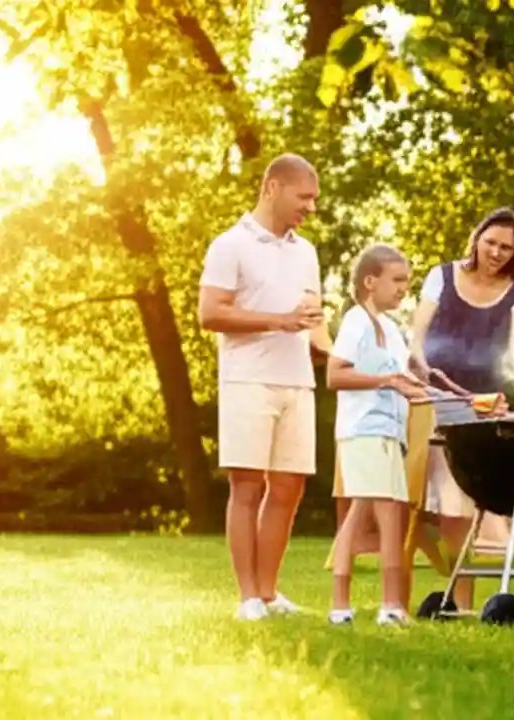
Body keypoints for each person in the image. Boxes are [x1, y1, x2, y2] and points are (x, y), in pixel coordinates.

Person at [198, 153, 331, 621]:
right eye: (304, 197)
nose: (311, 207)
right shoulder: (229, 245)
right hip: (247, 379)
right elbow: (210, 313)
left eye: (314, 198)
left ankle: (271, 593)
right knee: (247, 486)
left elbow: (312, 318)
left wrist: (335, 354)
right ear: (272, 188)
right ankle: (248, 597)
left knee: (289, 488)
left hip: (297, 380)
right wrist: (279, 321)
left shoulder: (306, 251)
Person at [408, 207, 514, 612]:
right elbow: (417, 335)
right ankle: (450, 596)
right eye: (491, 242)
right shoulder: (442, 275)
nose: (497, 252)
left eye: (507, 247)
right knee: (431, 508)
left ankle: (465, 600)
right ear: (477, 238)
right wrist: (418, 366)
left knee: (463, 506)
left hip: (482, 404)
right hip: (432, 398)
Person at [325, 244, 428, 626]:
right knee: (382, 513)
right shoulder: (356, 321)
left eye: (407, 281)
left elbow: (409, 383)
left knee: (376, 513)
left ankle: (355, 606)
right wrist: (387, 380)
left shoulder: (391, 329)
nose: (404, 288)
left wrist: (468, 399)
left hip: (388, 434)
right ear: (371, 282)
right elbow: (335, 374)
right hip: (362, 431)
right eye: (397, 280)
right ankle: (384, 606)